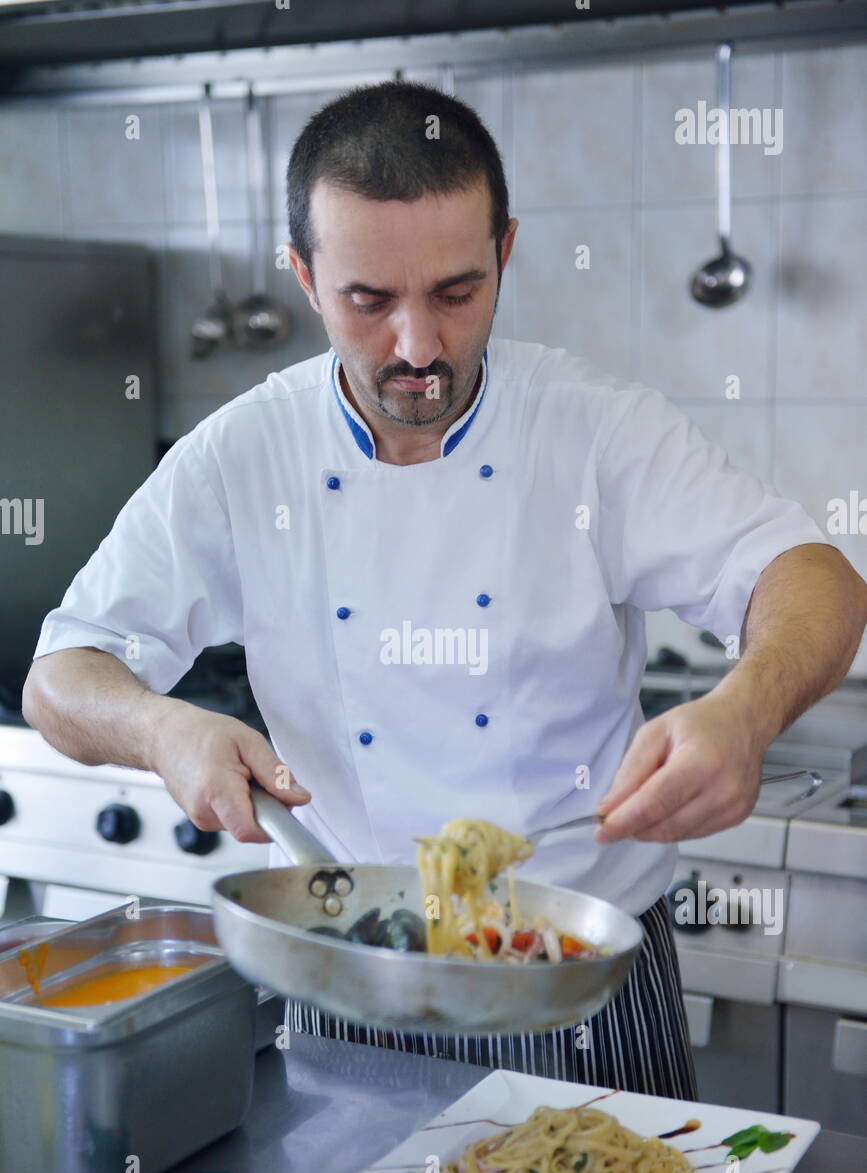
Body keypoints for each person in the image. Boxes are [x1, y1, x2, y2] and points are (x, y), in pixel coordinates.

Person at [23, 82, 867, 1101]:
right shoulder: (245, 455)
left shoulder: (592, 432)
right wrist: (162, 730)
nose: (419, 347)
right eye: (368, 301)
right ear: (303, 276)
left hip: (576, 983)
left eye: (457, 293)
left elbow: (811, 576)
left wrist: (744, 707)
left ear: (505, 251)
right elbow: (63, 675)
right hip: (352, 974)